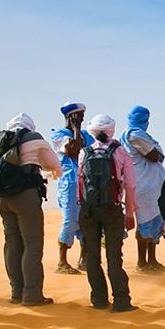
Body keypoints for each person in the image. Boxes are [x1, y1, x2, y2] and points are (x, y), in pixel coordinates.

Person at [0, 113, 63, 307]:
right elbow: (54, 164)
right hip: (26, 196)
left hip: (3, 198)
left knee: (12, 243)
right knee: (32, 244)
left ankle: (16, 292)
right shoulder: (34, 138)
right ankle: (32, 295)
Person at [77, 114, 139, 313]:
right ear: (112, 130)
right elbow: (130, 185)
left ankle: (98, 299)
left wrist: (83, 208)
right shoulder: (120, 152)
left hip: (88, 210)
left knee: (92, 256)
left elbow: (79, 184)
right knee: (114, 256)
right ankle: (121, 301)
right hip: (112, 209)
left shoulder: (84, 152)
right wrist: (130, 212)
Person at [122, 105, 165, 273]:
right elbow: (154, 155)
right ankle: (142, 262)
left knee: (155, 221)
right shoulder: (134, 135)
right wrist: (157, 152)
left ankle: (152, 260)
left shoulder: (139, 134)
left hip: (152, 185)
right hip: (143, 184)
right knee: (145, 221)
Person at [50, 102, 94, 275]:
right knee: (70, 219)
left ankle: (84, 258)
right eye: (78, 117)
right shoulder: (59, 135)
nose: (81, 120)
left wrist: (79, 132)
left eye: (82, 117)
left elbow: (88, 150)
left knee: (85, 220)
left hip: (85, 182)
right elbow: (74, 150)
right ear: (69, 117)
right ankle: (62, 261)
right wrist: (75, 129)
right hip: (69, 183)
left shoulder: (85, 135)